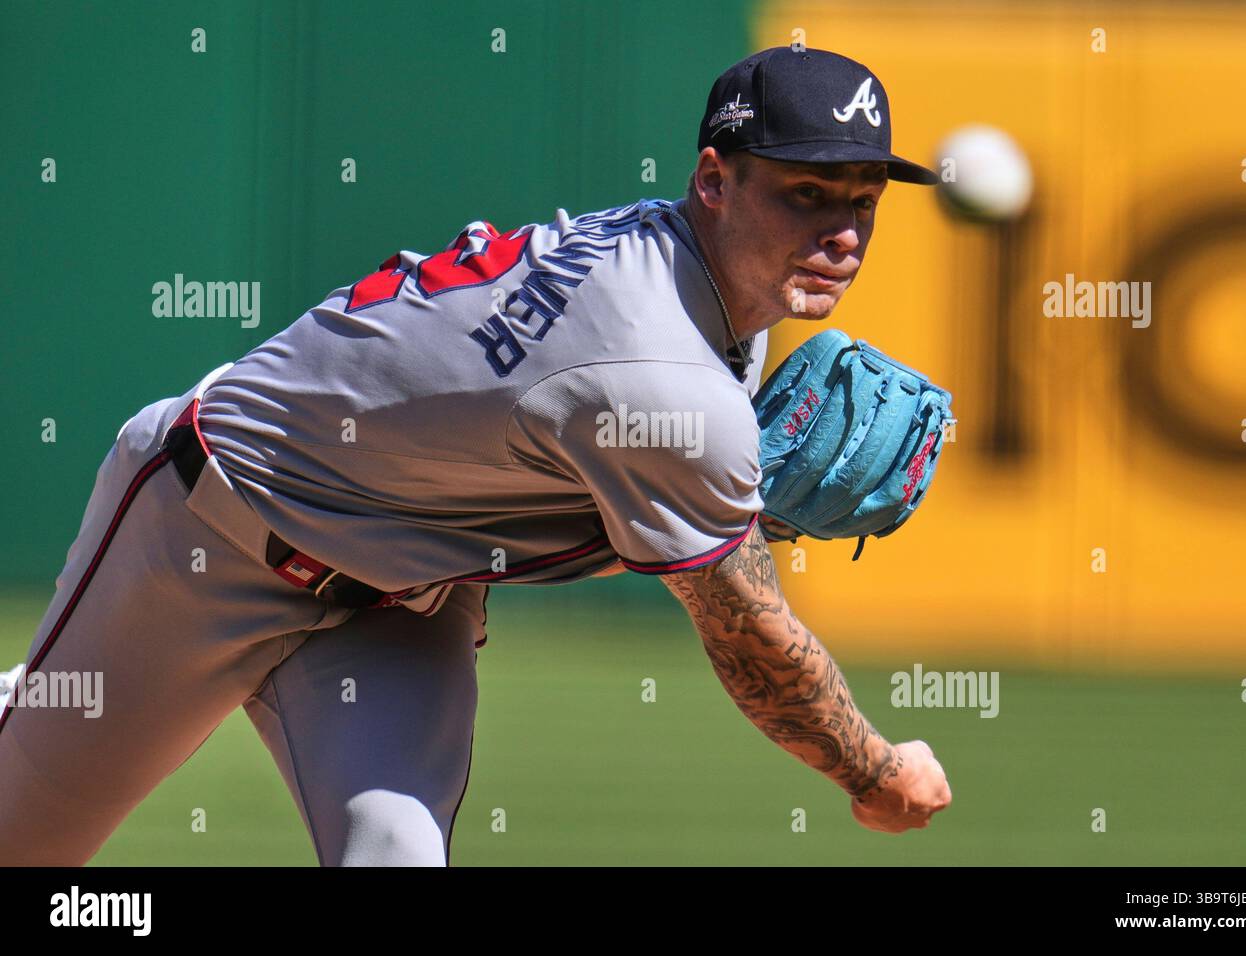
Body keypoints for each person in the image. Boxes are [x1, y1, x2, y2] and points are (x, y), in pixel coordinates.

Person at [0, 46, 950, 866]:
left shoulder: (692, 280)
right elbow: (750, 641)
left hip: (399, 602)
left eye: (863, 202)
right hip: (207, 537)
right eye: (807, 193)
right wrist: (873, 770)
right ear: (713, 178)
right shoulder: (662, 370)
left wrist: (730, 505)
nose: (842, 232)